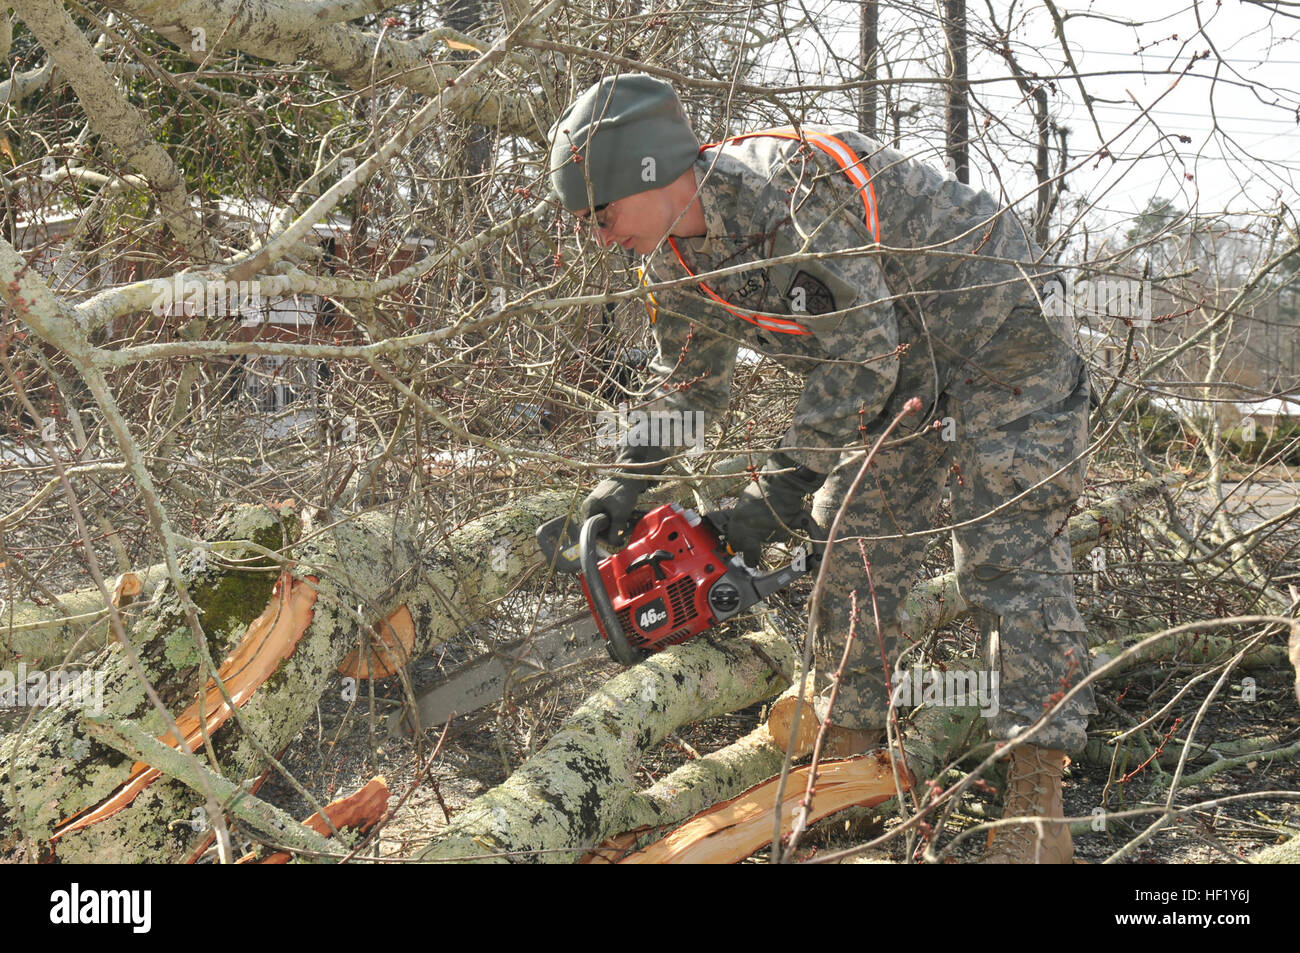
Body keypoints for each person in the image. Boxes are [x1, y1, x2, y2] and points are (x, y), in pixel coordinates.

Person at [548, 73, 1095, 864]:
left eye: (601, 216)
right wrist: (627, 478)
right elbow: (691, 384)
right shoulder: (670, 262)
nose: (599, 238)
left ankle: (1037, 799)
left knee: (1007, 553)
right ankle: (848, 754)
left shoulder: (790, 194)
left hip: (1003, 338)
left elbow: (864, 352)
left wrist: (778, 487)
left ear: (650, 173)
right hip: (906, 372)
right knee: (854, 538)